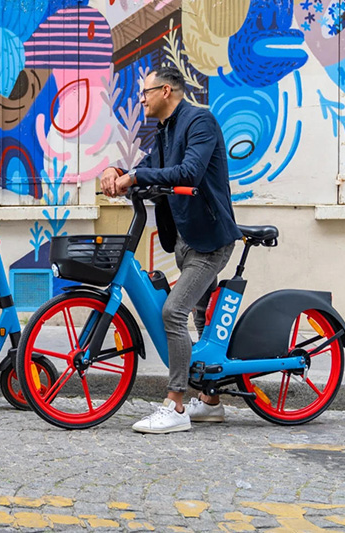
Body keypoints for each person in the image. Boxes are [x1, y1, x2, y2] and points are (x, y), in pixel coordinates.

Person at [100, 67, 242, 434]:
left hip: (210, 241)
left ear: (166, 90)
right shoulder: (165, 130)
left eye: (145, 92)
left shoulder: (199, 121)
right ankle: (210, 400)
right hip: (185, 239)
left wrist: (135, 178)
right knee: (199, 316)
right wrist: (120, 170)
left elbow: (189, 171)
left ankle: (176, 404)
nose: (140, 99)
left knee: (173, 312)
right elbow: (150, 168)